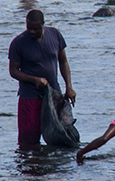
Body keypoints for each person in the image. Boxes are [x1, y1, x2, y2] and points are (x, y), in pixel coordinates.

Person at [8, 10, 76, 149]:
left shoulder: (55, 35)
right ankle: (31, 166)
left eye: (36, 28)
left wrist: (69, 87)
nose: (32, 31)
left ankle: (53, 168)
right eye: (29, 28)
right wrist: (34, 80)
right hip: (30, 96)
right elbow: (13, 71)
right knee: (28, 141)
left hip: (53, 94)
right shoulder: (18, 42)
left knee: (60, 136)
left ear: (43, 25)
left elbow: (63, 61)